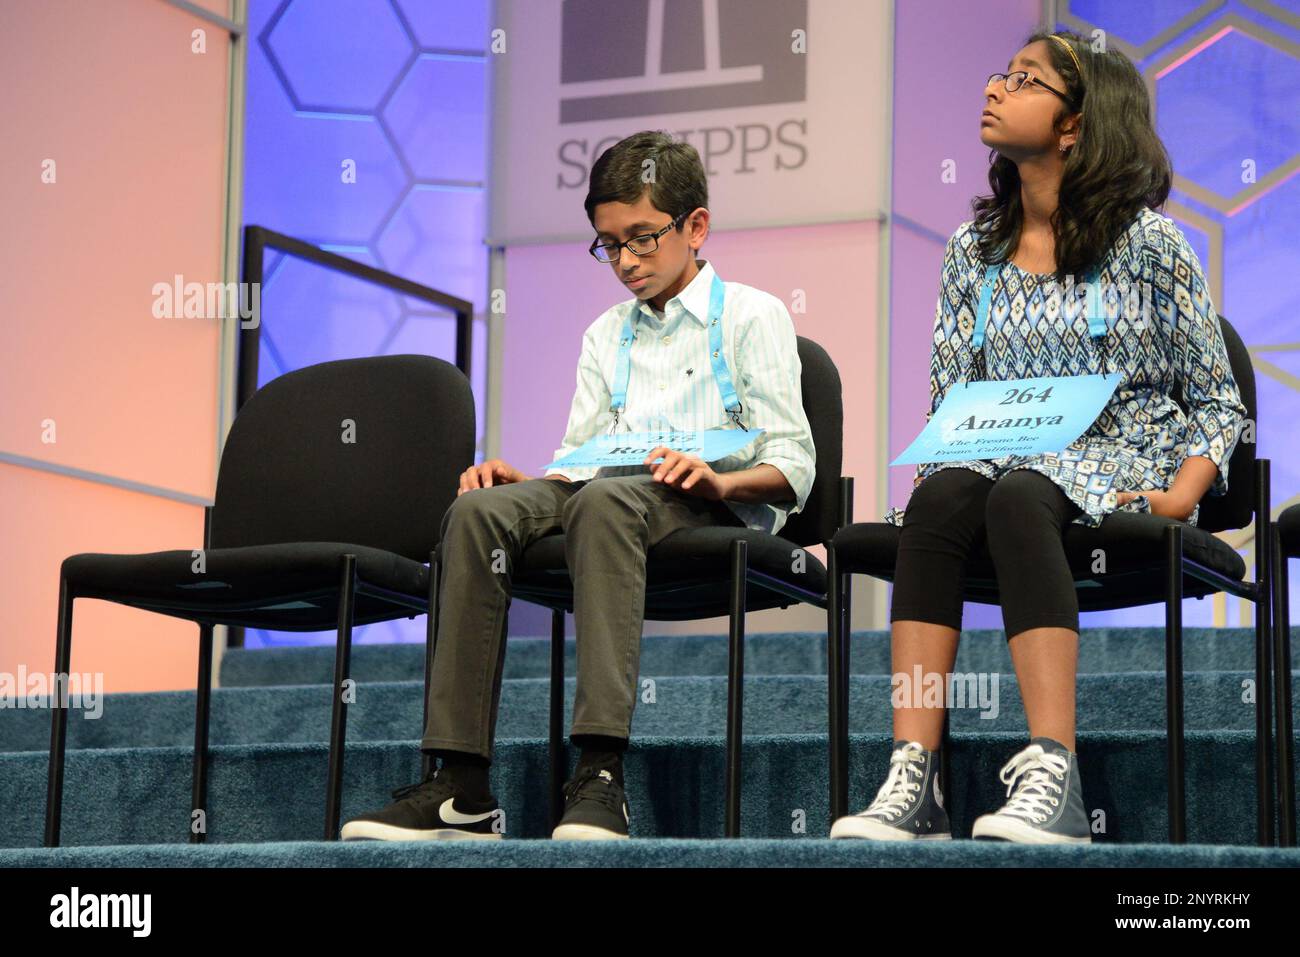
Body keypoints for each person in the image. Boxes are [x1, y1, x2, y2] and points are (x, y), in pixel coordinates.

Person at [831, 30, 1246, 844]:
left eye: (1024, 80)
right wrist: (937, 481)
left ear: (1074, 127)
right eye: (1001, 73)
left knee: (1021, 495)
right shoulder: (970, 252)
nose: (994, 87)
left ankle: (1055, 769)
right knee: (945, 492)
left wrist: (1181, 494)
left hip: (1121, 452)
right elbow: (950, 402)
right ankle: (915, 773)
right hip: (1002, 448)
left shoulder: (1149, 245)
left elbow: (1219, 402)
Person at [341, 130, 815, 841]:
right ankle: (459, 785)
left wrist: (720, 480)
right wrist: (526, 485)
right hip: (605, 492)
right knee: (479, 510)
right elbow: (584, 459)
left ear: (697, 226)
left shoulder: (753, 315)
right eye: (609, 244)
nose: (625, 261)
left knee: (604, 502)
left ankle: (600, 772)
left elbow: (794, 464)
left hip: (709, 504)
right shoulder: (605, 335)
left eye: (643, 238)